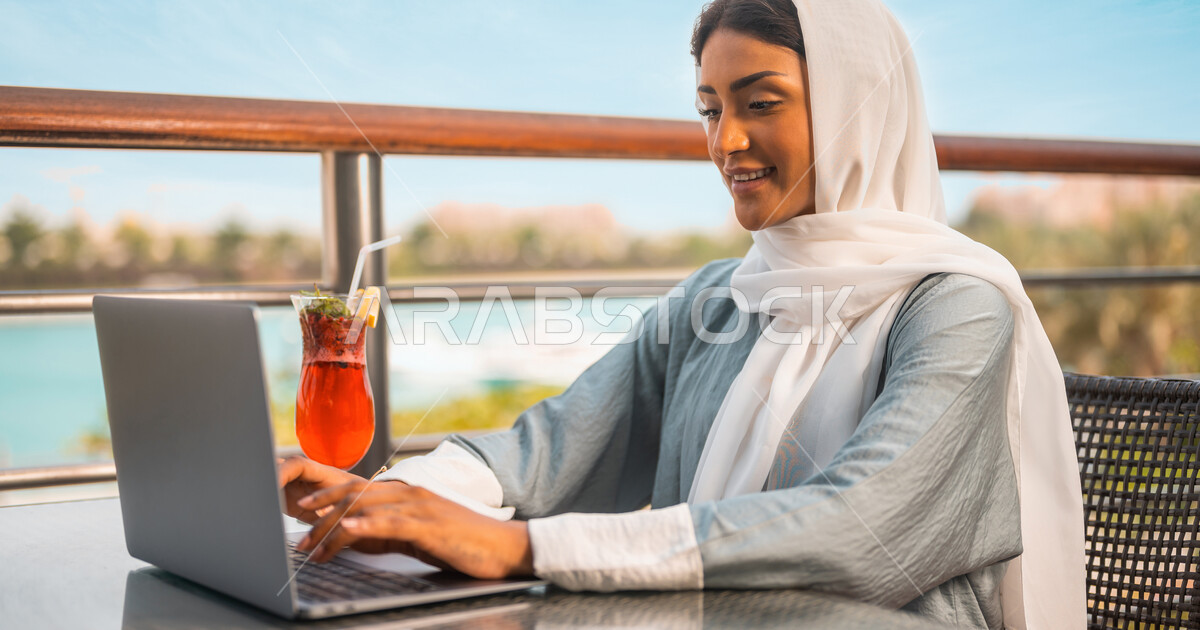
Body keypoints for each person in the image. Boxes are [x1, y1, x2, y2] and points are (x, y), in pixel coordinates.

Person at [279, 0, 1086, 627]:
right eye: (709, 109)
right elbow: (549, 449)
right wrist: (378, 501)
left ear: (861, 112)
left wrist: (522, 548)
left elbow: (856, 528)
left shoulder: (959, 309)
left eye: (760, 103)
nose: (725, 142)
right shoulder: (717, 299)